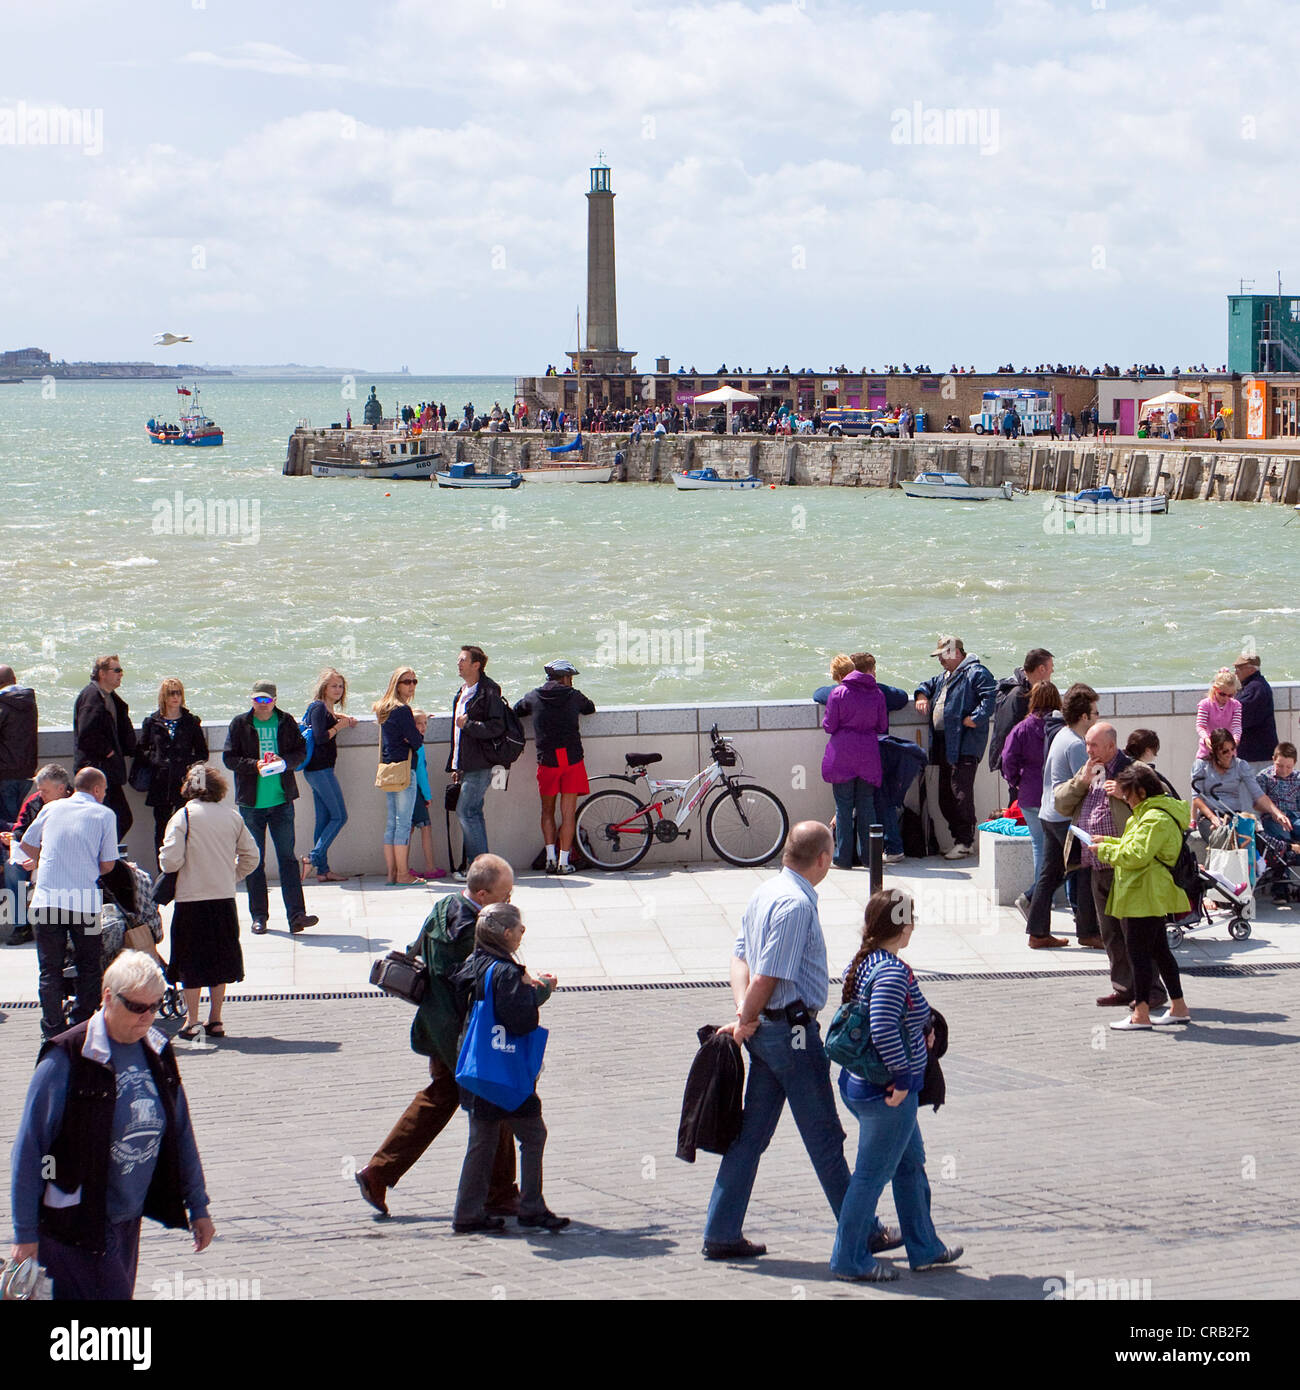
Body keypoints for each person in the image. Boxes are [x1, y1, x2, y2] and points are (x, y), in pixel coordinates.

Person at [8, 950, 215, 1299]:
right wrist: (24, 1233)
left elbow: (181, 1132)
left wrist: (198, 1205)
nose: (147, 1017)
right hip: (75, 1223)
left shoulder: (156, 1050)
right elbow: (29, 1149)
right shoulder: (67, 1056)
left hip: (126, 1221)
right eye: (137, 1007)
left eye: (155, 1006)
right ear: (107, 997)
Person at [701, 822, 858, 1260]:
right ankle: (860, 1230)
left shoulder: (765, 892)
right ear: (823, 860)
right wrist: (746, 1017)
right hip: (790, 1033)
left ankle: (721, 1231)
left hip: (766, 1034)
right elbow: (769, 973)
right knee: (824, 1136)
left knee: (750, 1137)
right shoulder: (795, 905)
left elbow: (740, 957)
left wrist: (744, 1016)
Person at [355, 855, 520, 1220]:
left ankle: (378, 1173)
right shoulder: (473, 928)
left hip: (437, 1025)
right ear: (481, 892)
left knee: (439, 1098)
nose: (509, 902)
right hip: (464, 1036)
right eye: (504, 895)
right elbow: (485, 980)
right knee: (497, 1101)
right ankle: (501, 1194)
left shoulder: (445, 905)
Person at [830, 889, 962, 1282]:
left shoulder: (870, 962)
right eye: (912, 920)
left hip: (867, 1087)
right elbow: (883, 1027)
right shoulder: (890, 971)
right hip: (887, 1094)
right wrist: (904, 1080)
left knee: (909, 1168)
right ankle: (849, 1259)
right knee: (870, 1178)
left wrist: (921, 1029)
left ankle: (924, 1248)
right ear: (904, 927)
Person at [450, 901, 566, 1232]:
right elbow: (521, 1020)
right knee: (534, 1134)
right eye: (518, 927)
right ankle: (532, 1206)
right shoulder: (506, 972)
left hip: (476, 1069)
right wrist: (540, 990)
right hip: (505, 1072)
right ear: (505, 934)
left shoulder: (474, 964)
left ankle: (467, 1212)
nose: (522, 932)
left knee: (482, 1140)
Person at [159, 765, 258, 1040]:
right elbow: (252, 857)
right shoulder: (232, 816)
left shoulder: (184, 816)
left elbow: (170, 861)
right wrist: (231, 875)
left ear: (189, 787)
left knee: (190, 962)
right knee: (221, 959)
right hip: (223, 898)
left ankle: (192, 1021)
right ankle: (216, 1019)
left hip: (191, 899)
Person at [19, 767, 119, 1040]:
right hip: (83, 901)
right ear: (97, 790)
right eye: (105, 791)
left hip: (46, 899)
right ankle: (81, 1026)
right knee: (89, 964)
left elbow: (26, 845)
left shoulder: (51, 808)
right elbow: (109, 863)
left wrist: (49, 859)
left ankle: (51, 1029)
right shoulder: (104, 814)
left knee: (49, 968)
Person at [1094, 764, 1193, 1030]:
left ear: (1140, 791)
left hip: (1145, 893)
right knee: (1160, 951)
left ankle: (1141, 1013)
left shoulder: (1154, 818)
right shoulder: (1148, 814)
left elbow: (1136, 855)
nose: (1125, 798)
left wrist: (1105, 852)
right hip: (1146, 891)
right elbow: (1134, 847)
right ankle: (1178, 1007)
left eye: (1128, 794)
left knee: (1139, 955)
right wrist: (1109, 842)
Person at [222, 680, 316, 936]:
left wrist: (283, 763)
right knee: (255, 860)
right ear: (251, 700)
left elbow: (300, 751)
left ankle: (296, 915)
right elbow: (229, 758)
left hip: (281, 800)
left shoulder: (286, 722)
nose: (261, 705)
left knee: (287, 858)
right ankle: (259, 916)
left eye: (266, 700)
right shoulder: (240, 724)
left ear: (274, 700)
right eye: (257, 700)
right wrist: (256, 766)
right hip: (252, 803)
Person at [1025, 683, 1099, 948]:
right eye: (1094, 712)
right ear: (1084, 716)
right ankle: (1089, 932)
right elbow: (1088, 785)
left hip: (1049, 813)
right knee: (1084, 872)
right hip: (1066, 819)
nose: (1097, 715)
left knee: (1050, 875)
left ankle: (1038, 932)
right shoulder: (1077, 746)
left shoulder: (1062, 735)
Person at [913, 636, 997, 859]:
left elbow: (990, 697)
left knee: (960, 793)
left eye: (942, 655)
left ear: (956, 653)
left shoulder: (976, 672)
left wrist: (976, 718)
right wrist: (921, 694)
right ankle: (959, 839)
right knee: (944, 794)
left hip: (965, 742)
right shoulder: (946, 676)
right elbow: (927, 684)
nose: (940, 659)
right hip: (944, 742)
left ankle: (965, 841)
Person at [513, 659, 596, 874]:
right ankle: (564, 862)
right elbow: (590, 708)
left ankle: (550, 858)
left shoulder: (534, 696)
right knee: (568, 814)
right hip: (572, 759)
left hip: (547, 761)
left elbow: (517, 710)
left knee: (547, 811)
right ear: (566, 677)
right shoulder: (573, 695)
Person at [999, 680, 1061, 916]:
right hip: (1055, 795)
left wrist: (1016, 781)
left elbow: (1008, 759)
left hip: (1030, 793)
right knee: (1056, 848)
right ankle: (1041, 895)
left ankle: (1042, 897)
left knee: (1039, 846)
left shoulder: (1023, 728)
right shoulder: (1060, 729)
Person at [822, 654, 888, 869]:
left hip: (843, 753)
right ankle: (869, 857)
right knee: (866, 805)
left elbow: (829, 725)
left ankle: (842, 858)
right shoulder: (877, 693)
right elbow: (881, 726)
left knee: (843, 807)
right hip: (868, 753)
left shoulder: (838, 693)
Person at [447, 645, 505, 875]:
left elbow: (496, 726)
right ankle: (482, 867)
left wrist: (469, 725)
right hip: (467, 762)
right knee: (473, 812)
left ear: (476, 665)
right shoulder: (463, 691)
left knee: (466, 811)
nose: (458, 663)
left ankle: (480, 870)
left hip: (482, 762)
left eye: (463, 660)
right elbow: (456, 733)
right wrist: (456, 764)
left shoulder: (489, 691)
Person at [135, 678, 209, 860]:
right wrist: (156, 760)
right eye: (171, 693)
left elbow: (202, 753)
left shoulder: (190, 721)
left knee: (186, 827)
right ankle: (164, 874)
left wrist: (186, 764)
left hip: (183, 783)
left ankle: (185, 871)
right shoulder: (152, 722)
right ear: (164, 696)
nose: (175, 697)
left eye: (178, 693)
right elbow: (140, 750)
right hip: (160, 783)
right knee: (161, 829)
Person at [2, 764, 72, 947]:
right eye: (39, 790)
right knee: (11, 866)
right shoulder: (34, 801)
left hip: (65, 857)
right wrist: (12, 838)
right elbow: (20, 829)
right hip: (35, 855)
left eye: (45, 791)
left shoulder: (76, 804)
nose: (41, 795)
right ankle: (21, 925)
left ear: (61, 789)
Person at [300, 668, 358, 883]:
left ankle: (323, 871)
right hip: (319, 770)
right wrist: (339, 726)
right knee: (340, 816)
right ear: (324, 687)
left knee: (323, 819)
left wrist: (340, 719)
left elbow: (327, 721)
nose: (338, 690)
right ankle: (313, 859)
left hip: (322, 770)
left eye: (341, 686)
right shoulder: (317, 707)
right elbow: (320, 737)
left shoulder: (327, 710)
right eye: (333, 685)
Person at [73, 655, 137, 839]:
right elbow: (86, 734)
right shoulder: (92, 697)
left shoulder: (108, 697)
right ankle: (100, 858)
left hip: (107, 773)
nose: (121, 674)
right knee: (116, 818)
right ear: (102, 673)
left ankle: (102, 857)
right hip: (96, 772)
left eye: (121, 670)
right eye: (116, 670)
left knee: (120, 818)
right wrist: (108, 752)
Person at [1191, 730, 1290, 844]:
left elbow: (1258, 795)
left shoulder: (1240, 765)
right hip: (1209, 815)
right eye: (1225, 751)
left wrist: (1277, 813)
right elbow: (1197, 798)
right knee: (1221, 837)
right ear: (1215, 751)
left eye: (1233, 749)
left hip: (1233, 813)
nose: (1230, 754)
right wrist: (1213, 818)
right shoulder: (1202, 766)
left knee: (1254, 839)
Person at [374, 667, 424, 885]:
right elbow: (417, 741)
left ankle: (391, 873)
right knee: (402, 824)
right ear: (396, 684)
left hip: (388, 771)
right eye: (406, 682)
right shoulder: (403, 711)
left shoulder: (384, 710)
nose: (411, 686)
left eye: (414, 681)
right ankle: (403, 874)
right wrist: (412, 736)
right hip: (404, 771)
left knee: (392, 824)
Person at [988, 647, 1055, 797]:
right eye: (1051, 668)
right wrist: (1016, 778)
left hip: (1014, 765)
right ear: (1042, 669)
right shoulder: (1019, 695)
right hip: (1017, 768)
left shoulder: (1014, 688)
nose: (1053, 672)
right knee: (1017, 807)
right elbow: (1009, 734)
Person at [407, 708, 446, 881]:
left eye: (425, 723)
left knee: (408, 829)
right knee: (425, 827)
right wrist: (428, 795)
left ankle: (403, 867)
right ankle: (430, 867)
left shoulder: (405, 741)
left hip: (405, 789)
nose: (423, 727)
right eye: (419, 723)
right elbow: (421, 771)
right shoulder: (418, 745)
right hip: (417, 792)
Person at [0, 664, 38, 826]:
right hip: (27, 772)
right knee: (18, 820)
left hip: (5, 772)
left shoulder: (3, 703)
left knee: (7, 824)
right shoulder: (29, 703)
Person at [1233, 653, 1277, 765]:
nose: (1235, 672)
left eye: (1239, 668)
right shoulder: (1256, 686)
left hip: (1257, 757)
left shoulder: (1255, 689)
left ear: (1251, 670)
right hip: (1257, 755)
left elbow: (1239, 717)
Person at [1195, 669, 1241, 762]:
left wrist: (1236, 740)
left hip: (1227, 751)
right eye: (1222, 694)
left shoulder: (1236, 705)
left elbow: (1237, 726)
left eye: (1230, 695)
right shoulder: (1205, 704)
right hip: (1208, 750)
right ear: (1215, 689)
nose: (1226, 698)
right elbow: (1200, 726)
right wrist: (1206, 739)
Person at [1125, 729, 1180, 800]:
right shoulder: (1144, 770)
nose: (1155, 755)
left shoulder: (1119, 763)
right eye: (1155, 750)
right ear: (1148, 750)